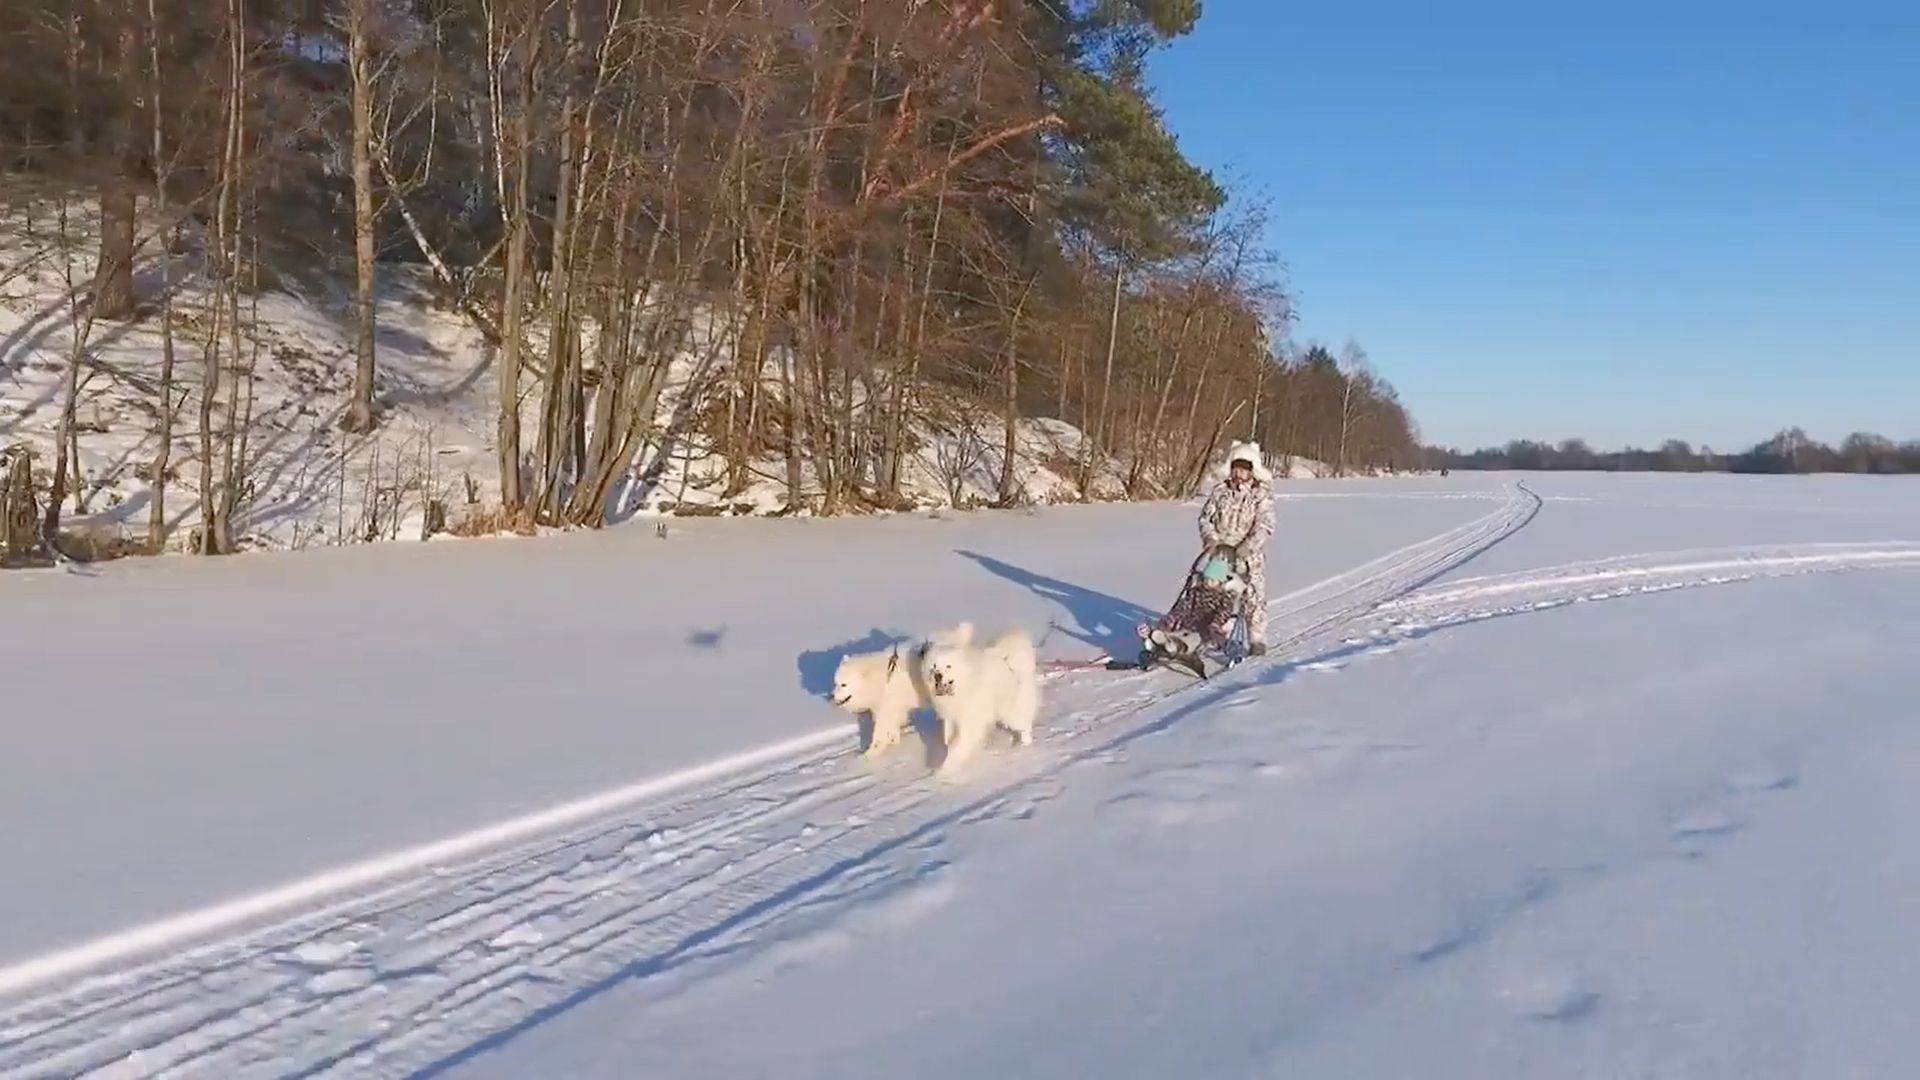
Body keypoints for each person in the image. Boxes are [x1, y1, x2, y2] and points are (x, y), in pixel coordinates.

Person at [1198, 441, 1275, 655]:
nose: (1239, 473)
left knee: (1253, 594)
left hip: (1248, 555)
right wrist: (1211, 539)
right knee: (1212, 591)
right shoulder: (1220, 491)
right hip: (1221, 553)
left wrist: (1246, 548)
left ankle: (1256, 638)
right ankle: (1215, 629)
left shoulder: (1261, 494)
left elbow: (1265, 526)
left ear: (1252, 471)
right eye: (1236, 468)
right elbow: (1206, 518)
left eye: (1244, 469)